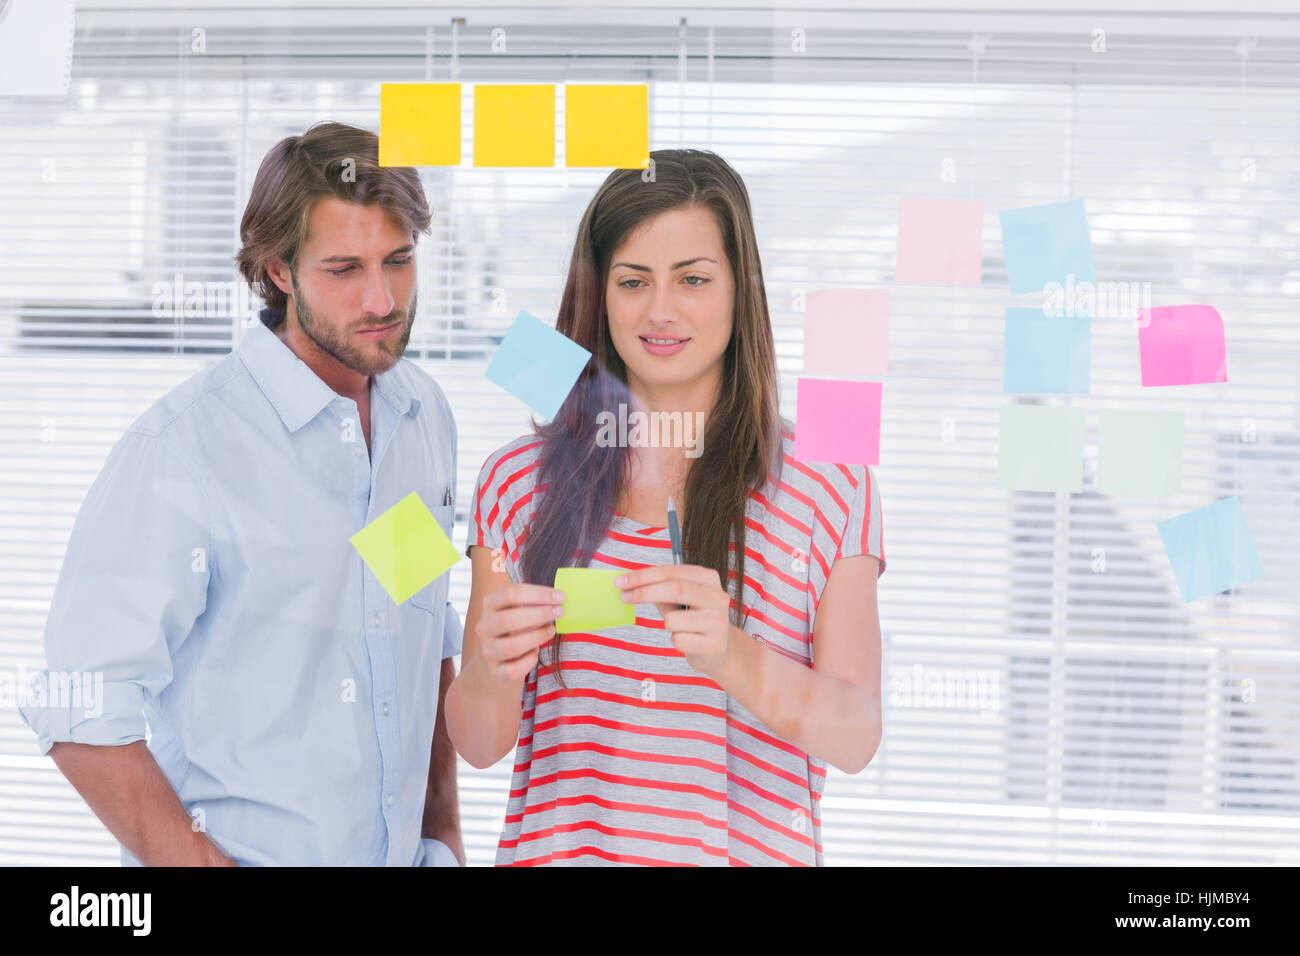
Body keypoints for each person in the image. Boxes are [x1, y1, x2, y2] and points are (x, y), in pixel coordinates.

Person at [18, 121, 464, 866]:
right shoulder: (183, 454)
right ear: (279, 271)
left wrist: (442, 840)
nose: (382, 298)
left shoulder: (422, 418)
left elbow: (420, 634)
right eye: (344, 268)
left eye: (399, 259)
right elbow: (81, 706)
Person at [445, 148, 886, 866]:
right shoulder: (518, 484)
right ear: (600, 295)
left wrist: (730, 654)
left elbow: (856, 735)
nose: (661, 310)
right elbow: (480, 742)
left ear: (740, 290)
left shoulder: (829, 484)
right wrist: (492, 670)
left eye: (693, 280)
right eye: (633, 281)